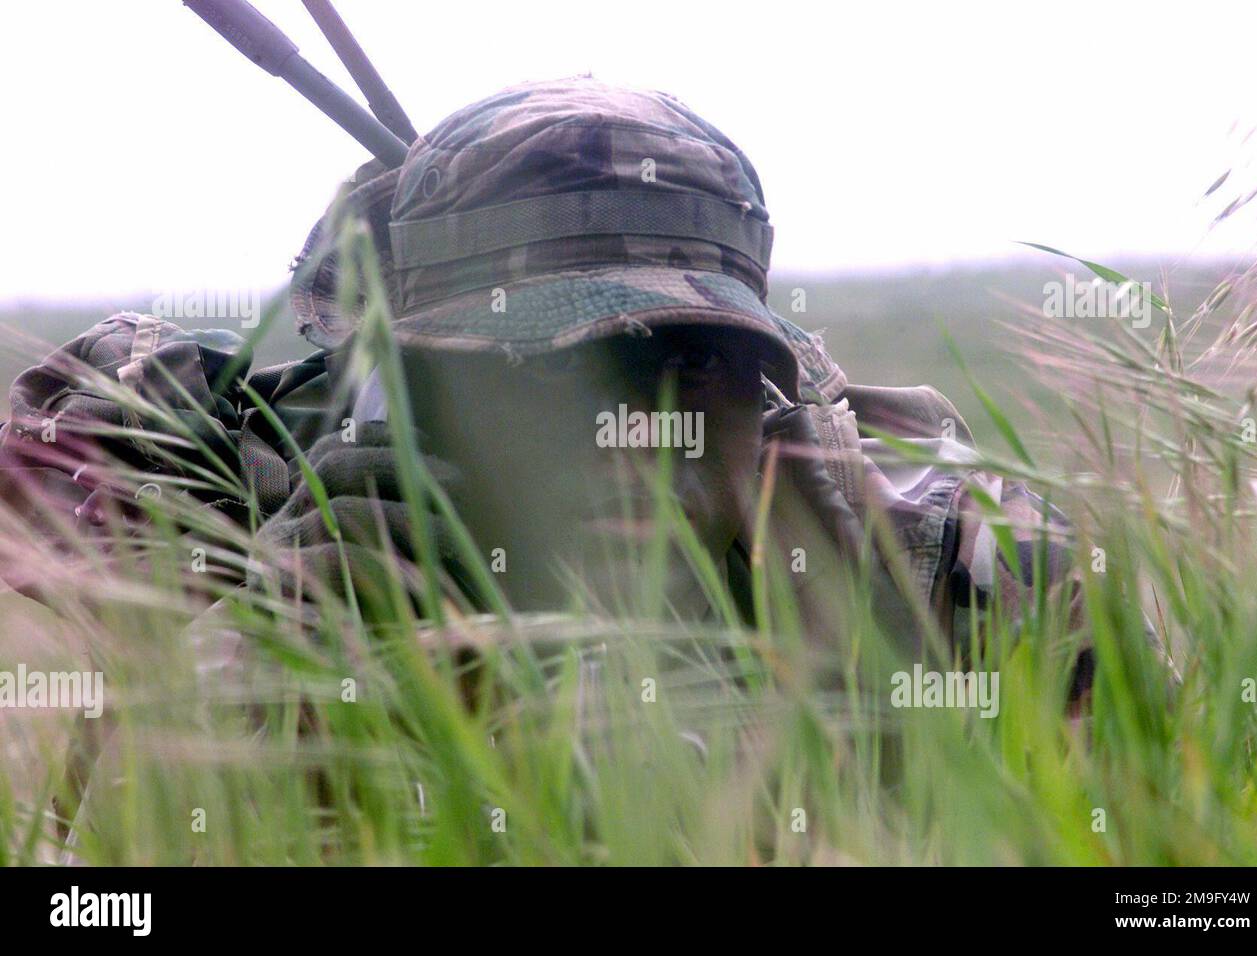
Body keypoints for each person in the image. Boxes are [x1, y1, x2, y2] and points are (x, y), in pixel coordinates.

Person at [0, 76, 1095, 703]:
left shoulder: (949, 570)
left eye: (694, 360)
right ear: (414, 393)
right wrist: (287, 662)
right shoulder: (253, 518)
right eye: (556, 369)